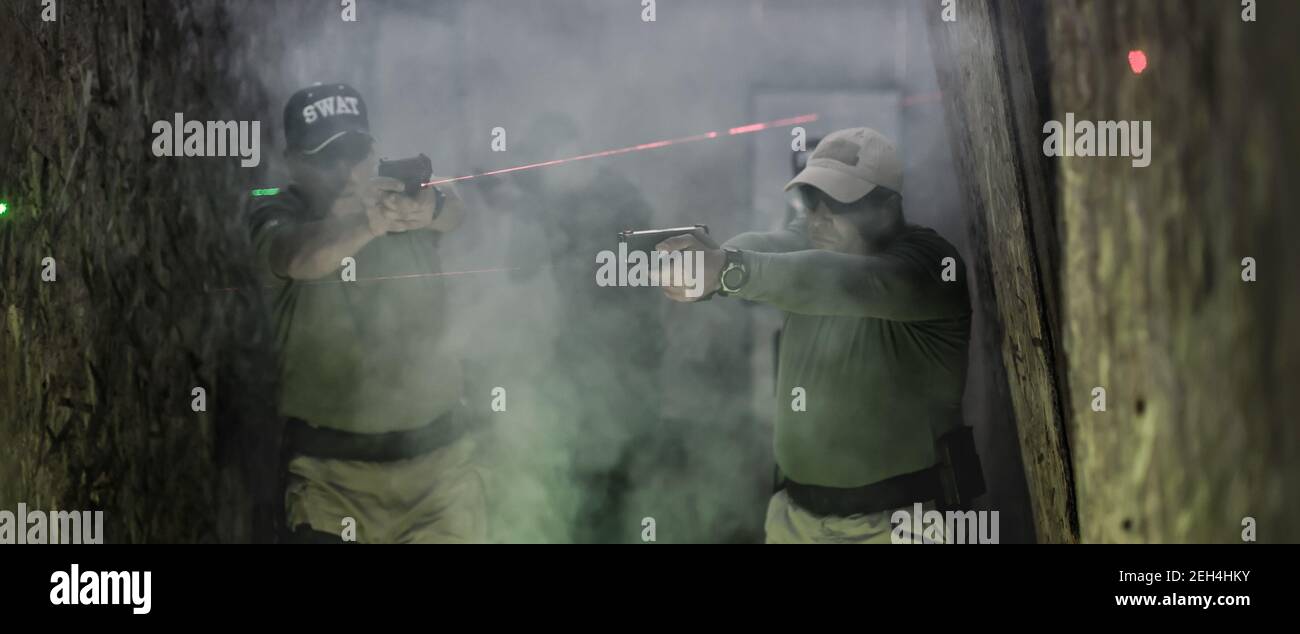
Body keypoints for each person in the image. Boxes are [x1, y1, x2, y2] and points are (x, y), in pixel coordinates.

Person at [658, 127, 972, 544]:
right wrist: (715, 263)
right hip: (797, 520)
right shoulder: (814, 239)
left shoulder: (931, 265)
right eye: (811, 199)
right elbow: (768, 247)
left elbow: (841, 282)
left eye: (837, 203)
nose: (818, 216)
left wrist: (728, 269)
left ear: (886, 207)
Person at [247, 83, 483, 543]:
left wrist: (429, 206)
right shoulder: (276, 203)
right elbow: (298, 256)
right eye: (325, 157)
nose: (344, 171)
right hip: (330, 480)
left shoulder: (399, 194)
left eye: (354, 153)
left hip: (439, 471)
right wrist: (369, 223)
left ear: (373, 152)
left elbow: (455, 206)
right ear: (294, 162)